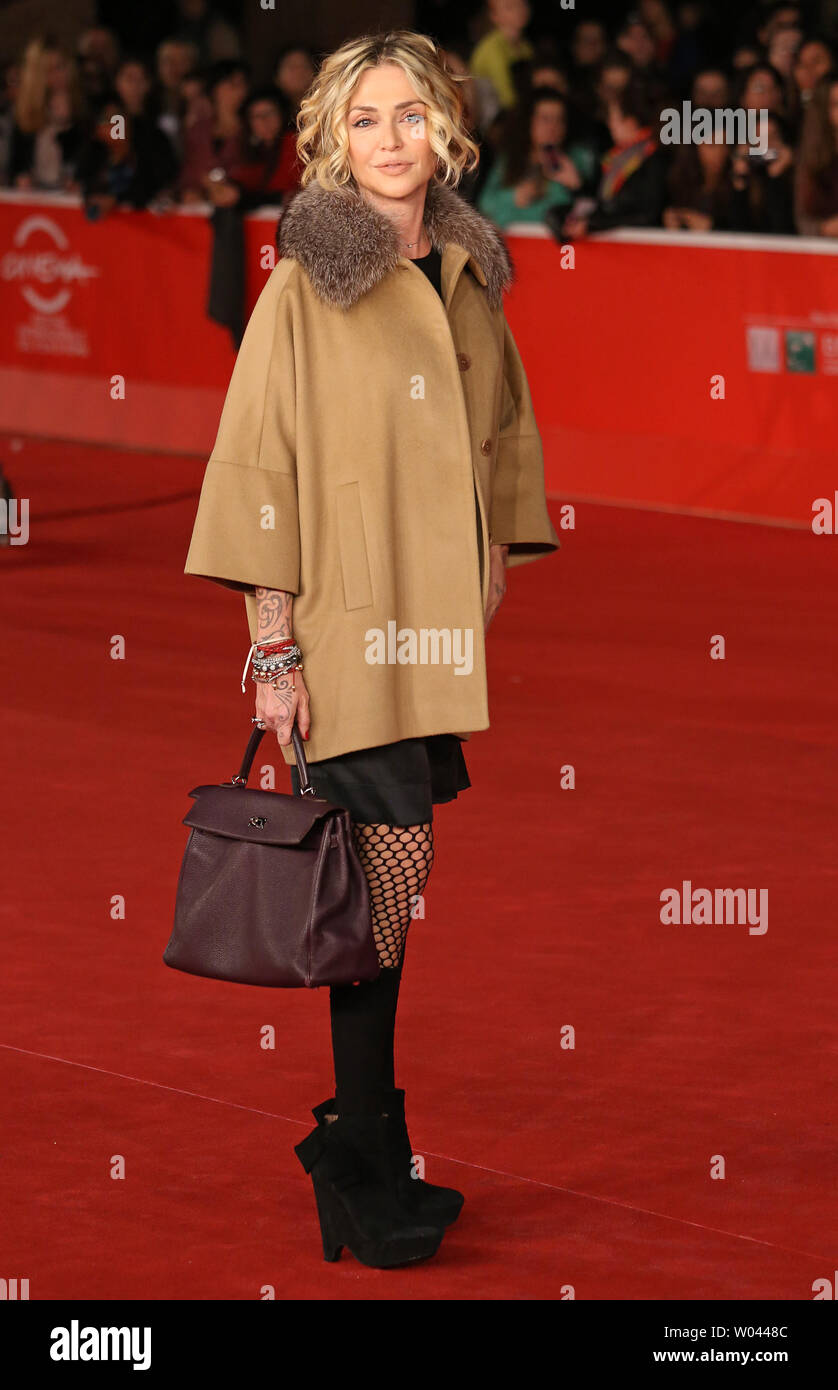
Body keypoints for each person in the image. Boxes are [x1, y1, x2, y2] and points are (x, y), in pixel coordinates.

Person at [182, 27, 558, 1268]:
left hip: (431, 630)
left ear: (446, 129)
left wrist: (492, 563)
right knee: (376, 897)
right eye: (365, 120)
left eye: (410, 117)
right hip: (345, 633)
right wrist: (274, 652)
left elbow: (501, 429)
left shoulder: (463, 265)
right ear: (330, 139)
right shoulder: (309, 274)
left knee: (384, 900)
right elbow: (257, 466)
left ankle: (367, 1146)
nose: (391, 141)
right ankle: (358, 1158)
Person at [477, 86, 596, 227]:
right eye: (545, 119)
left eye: (560, 120)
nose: (553, 127)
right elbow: (485, 204)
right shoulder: (511, 158)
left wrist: (576, 185)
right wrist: (514, 196)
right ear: (529, 122)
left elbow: (588, 211)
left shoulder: (576, 158)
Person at [561, 79, 667, 237]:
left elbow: (647, 215)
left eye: (613, 117)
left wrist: (594, 225)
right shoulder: (615, 158)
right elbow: (602, 205)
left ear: (631, 122)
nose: (609, 124)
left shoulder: (654, 159)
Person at [8, 37, 86, 191]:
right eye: (49, 70)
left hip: (67, 196)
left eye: (61, 67)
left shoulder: (81, 109)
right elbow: (16, 164)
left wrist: (66, 125)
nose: (57, 75)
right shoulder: (24, 112)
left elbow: (83, 160)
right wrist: (21, 177)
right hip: (35, 196)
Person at [178, 58, 248, 201]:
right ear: (215, 88)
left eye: (242, 85)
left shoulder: (250, 128)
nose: (239, 91)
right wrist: (191, 189)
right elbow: (188, 171)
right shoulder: (198, 130)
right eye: (232, 84)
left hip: (238, 204)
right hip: (200, 207)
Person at [469, 0, 534, 110]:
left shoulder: (526, 46)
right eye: (509, 7)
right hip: (492, 113)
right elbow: (505, 95)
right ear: (494, 15)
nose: (518, 10)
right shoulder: (492, 48)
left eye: (522, 4)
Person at [795, 72, 838, 236]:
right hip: (820, 252)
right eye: (836, 104)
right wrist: (825, 229)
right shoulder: (810, 158)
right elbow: (801, 219)